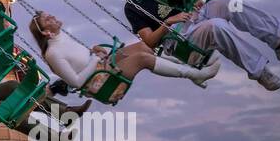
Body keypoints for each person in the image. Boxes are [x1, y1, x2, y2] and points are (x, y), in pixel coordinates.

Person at [124, 0, 280, 93]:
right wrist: (167, 22)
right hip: (178, 38)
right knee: (217, 25)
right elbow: (148, 41)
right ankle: (260, 71)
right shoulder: (133, 6)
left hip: (193, 16)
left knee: (231, 3)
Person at [30, 11, 222, 91]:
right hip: (99, 82)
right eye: (48, 20)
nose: (52, 17)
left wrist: (92, 52)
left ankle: (192, 66)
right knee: (142, 58)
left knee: (145, 46)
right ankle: (196, 74)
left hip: (102, 66)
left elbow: (78, 59)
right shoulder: (52, 53)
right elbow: (77, 82)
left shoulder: (62, 38)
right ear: (46, 32)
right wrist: (93, 60)